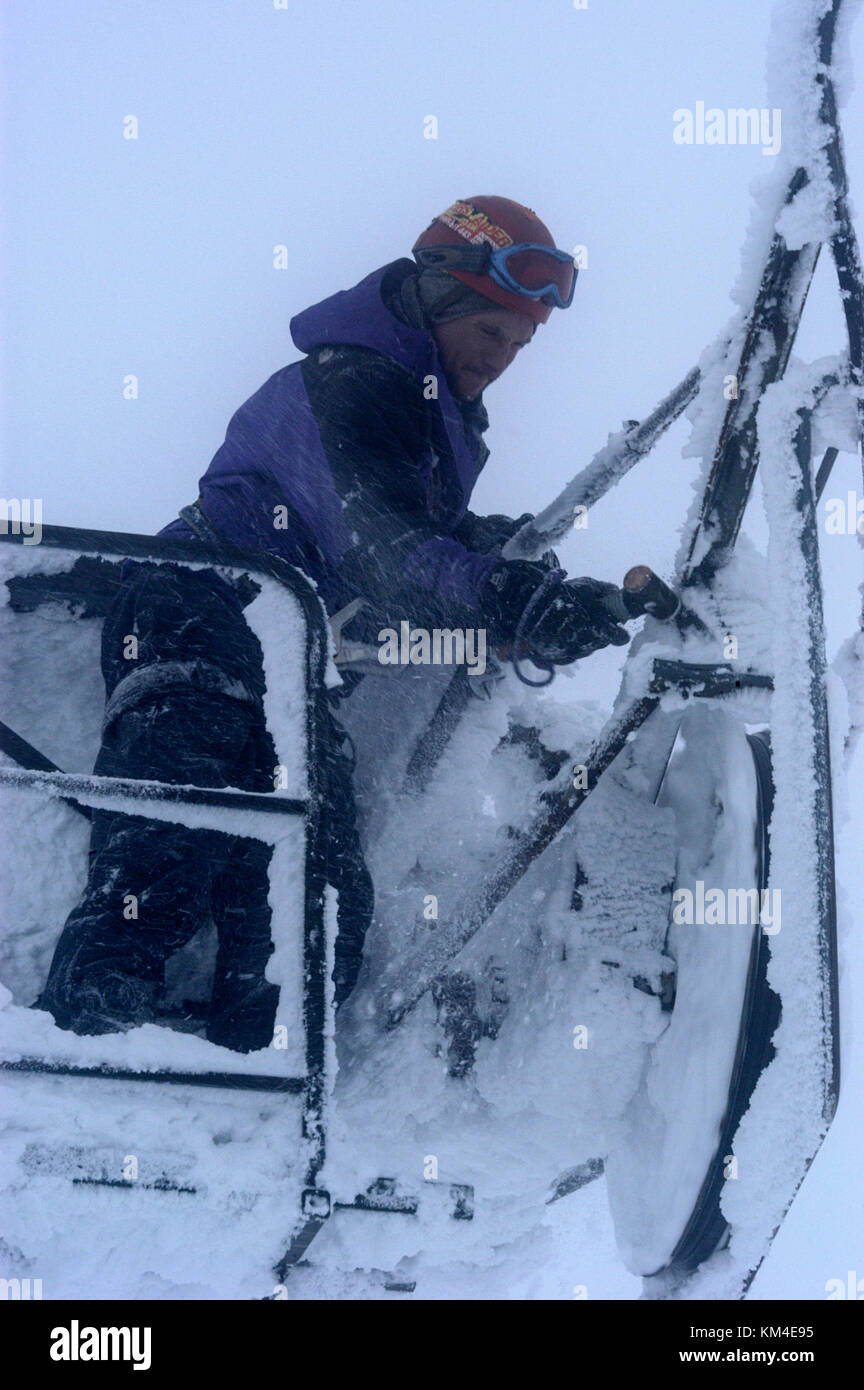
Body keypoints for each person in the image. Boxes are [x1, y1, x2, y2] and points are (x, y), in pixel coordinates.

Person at [38, 196, 628, 1051]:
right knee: (159, 862)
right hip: (196, 608)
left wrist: (516, 578)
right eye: (493, 334)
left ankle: (254, 1106)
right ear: (442, 298)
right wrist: (505, 597)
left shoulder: (423, 411)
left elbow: (424, 540)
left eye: (520, 347)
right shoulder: (346, 382)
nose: (503, 361)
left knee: (316, 901)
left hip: (291, 657)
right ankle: (82, 1070)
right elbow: (385, 550)